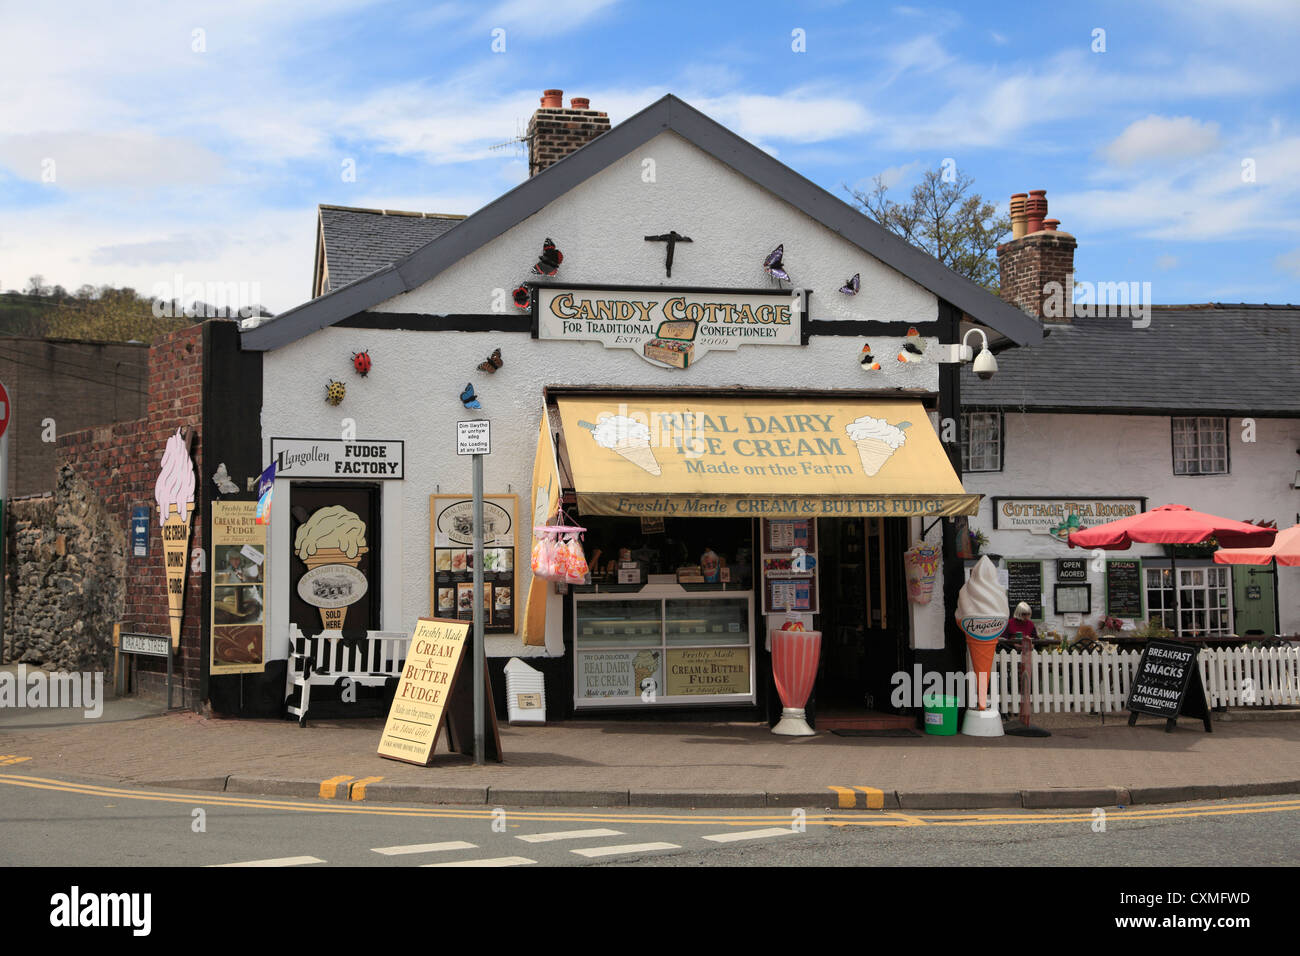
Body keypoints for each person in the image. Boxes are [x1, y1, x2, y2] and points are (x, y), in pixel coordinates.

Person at [1003, 603, 1037, 726]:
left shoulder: (1030, 624)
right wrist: (1013, 645)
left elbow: (1035, 638)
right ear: (1019, 613)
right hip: (1011, 655)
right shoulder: (1010, 624)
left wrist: (1032, 644)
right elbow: (1004, 639)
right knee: (1012, 680)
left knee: (1025, 679)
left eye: (1028, 614)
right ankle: (1012, 704)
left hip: (1027, 654)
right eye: (1024, 614)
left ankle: (1022, 704)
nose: (1026, 617)